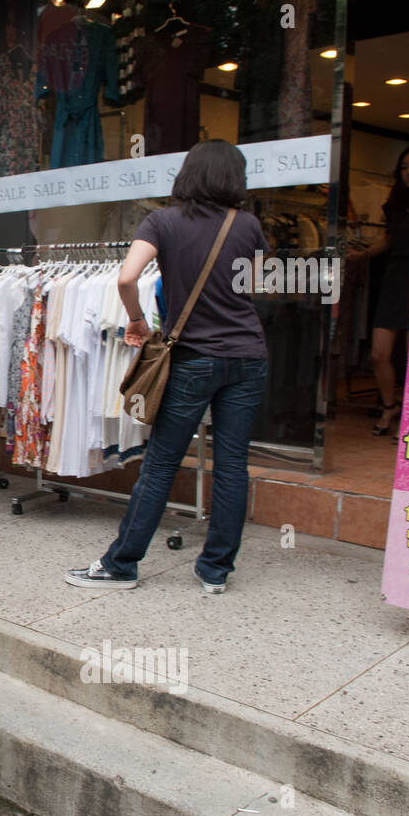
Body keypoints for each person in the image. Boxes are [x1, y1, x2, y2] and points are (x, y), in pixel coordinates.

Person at [65, 139, 268, 595]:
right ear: (235, 178)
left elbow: (125, 277)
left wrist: (137, 320)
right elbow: (258, 283)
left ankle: (121, 565)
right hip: (249, 357)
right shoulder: (249, 225)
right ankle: (215, 570)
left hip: (194, 357)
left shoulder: (163, 221)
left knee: (160, 465)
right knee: (233, 465)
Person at [346, 144, 409, 436]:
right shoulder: (395, 207)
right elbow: (387, 240)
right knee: (380, 352)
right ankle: (390, 405)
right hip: (396, 278)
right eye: (405, 167)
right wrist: (361, 255)